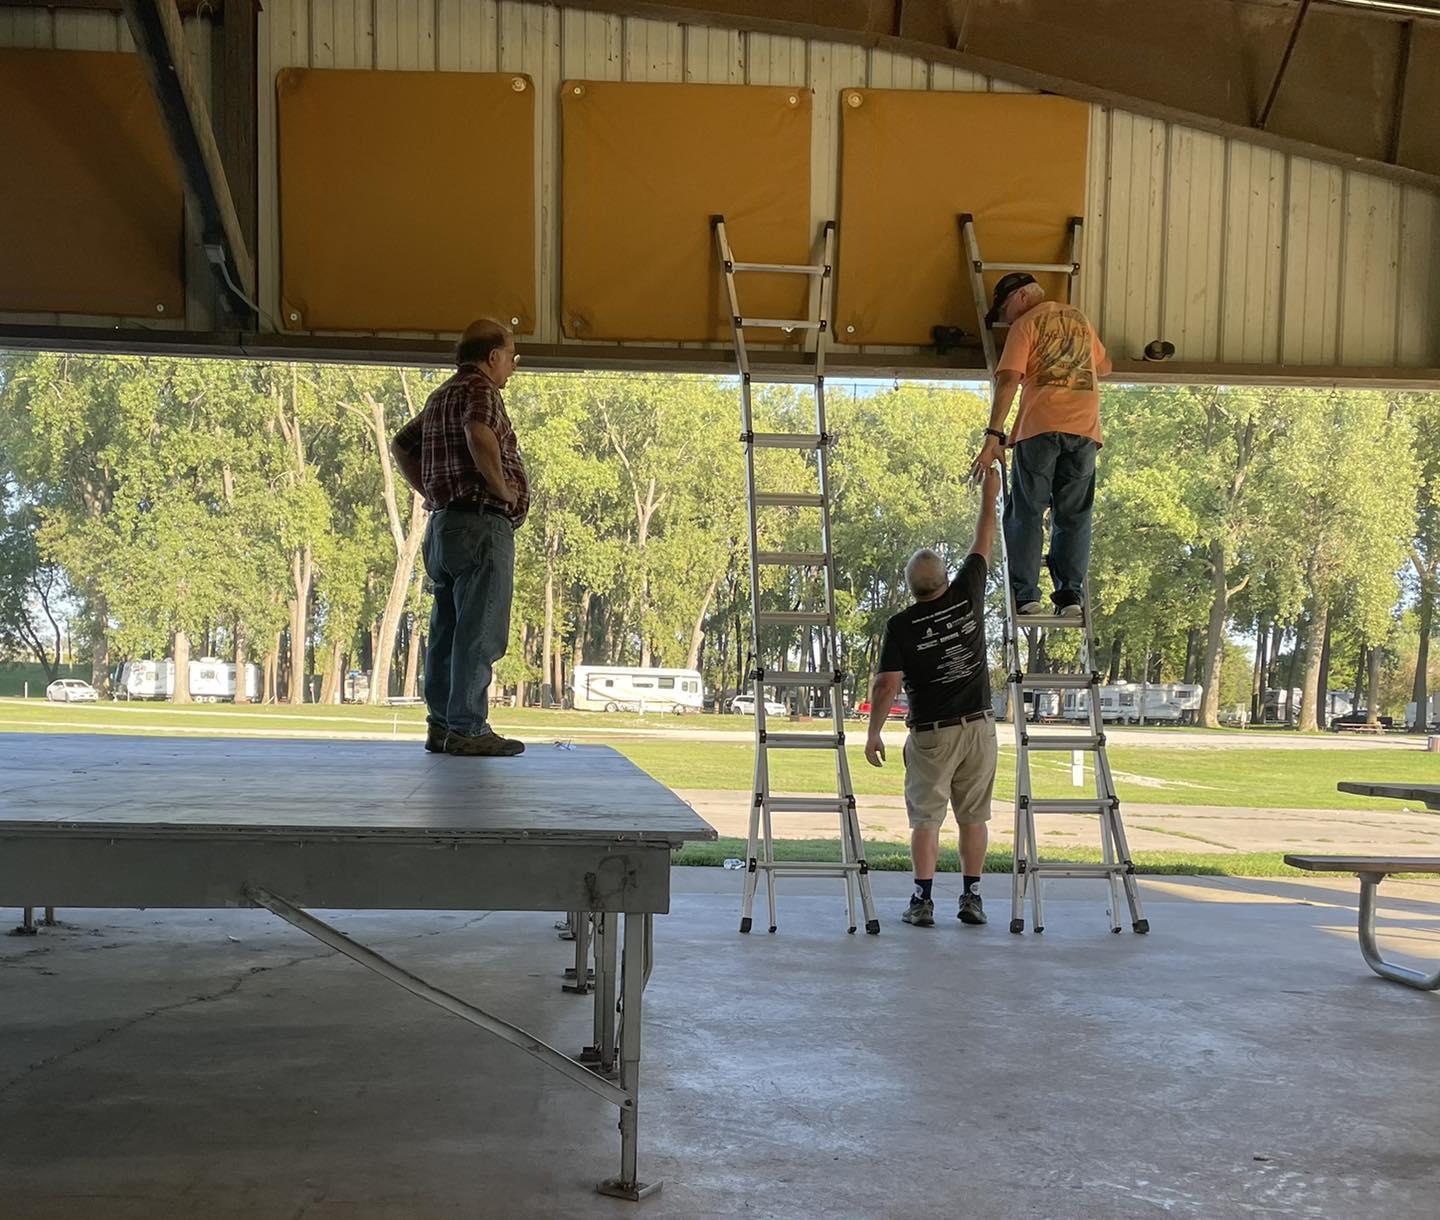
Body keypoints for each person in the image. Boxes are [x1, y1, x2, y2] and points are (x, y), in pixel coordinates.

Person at [864, 464, 1001, 927]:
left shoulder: (901, 626)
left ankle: (922, 901)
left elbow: (886, 685)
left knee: (926, 818)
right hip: (979, 727)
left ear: (911, 587)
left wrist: (874, 733)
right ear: (945, 578)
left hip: (931, 735)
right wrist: (990, 493)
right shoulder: (968, 593)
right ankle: (972, 897)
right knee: (973, 817)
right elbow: (984, 537)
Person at [391, 318, 527, 757]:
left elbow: (401, 444)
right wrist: (502, 488)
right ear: (493, 357)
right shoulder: (480, 390)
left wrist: (430, 490)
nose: (513, 366)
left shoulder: (440, 396)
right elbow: (478, 432)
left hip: (444, 527)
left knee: (446, 630)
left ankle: (441, 725)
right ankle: (468, 727)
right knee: (480, 629)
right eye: (511, 356)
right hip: (481, 525)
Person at [968, 274, 1111, 617]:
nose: (1006, 319)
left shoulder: (1026, 324)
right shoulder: (1079, 320)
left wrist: (993, 436)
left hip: (1040, 427)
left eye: (1005, 309)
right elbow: (1105, 367)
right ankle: (1070, 595)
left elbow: (1008, 381)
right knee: (1074, 514)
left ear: (1020, 297)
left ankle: (1026, 595)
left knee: (1027, 511)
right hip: (1084, 430)